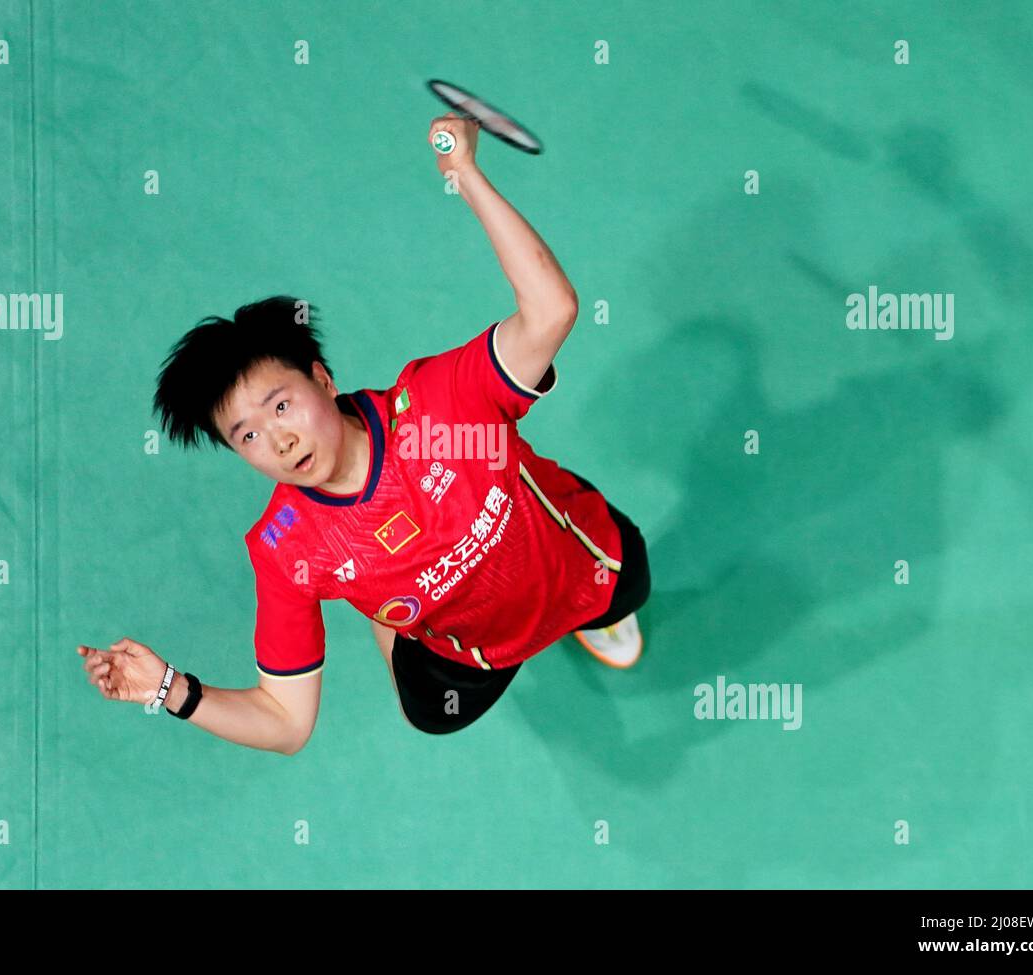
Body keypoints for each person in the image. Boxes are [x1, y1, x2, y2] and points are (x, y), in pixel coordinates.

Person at [77, 113, 651, 749]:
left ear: (322, 379)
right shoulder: (288, 549)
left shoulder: (439, 405)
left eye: (281, 406)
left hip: (579, 561)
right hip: (468, 656)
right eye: (246, 437)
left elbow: (553, 309)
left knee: (630, 588)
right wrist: (169, 690)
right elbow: (287, 722)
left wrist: (464, 175)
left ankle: (554, 615)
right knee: (433, 714)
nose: (278, 441)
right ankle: (400, 626)